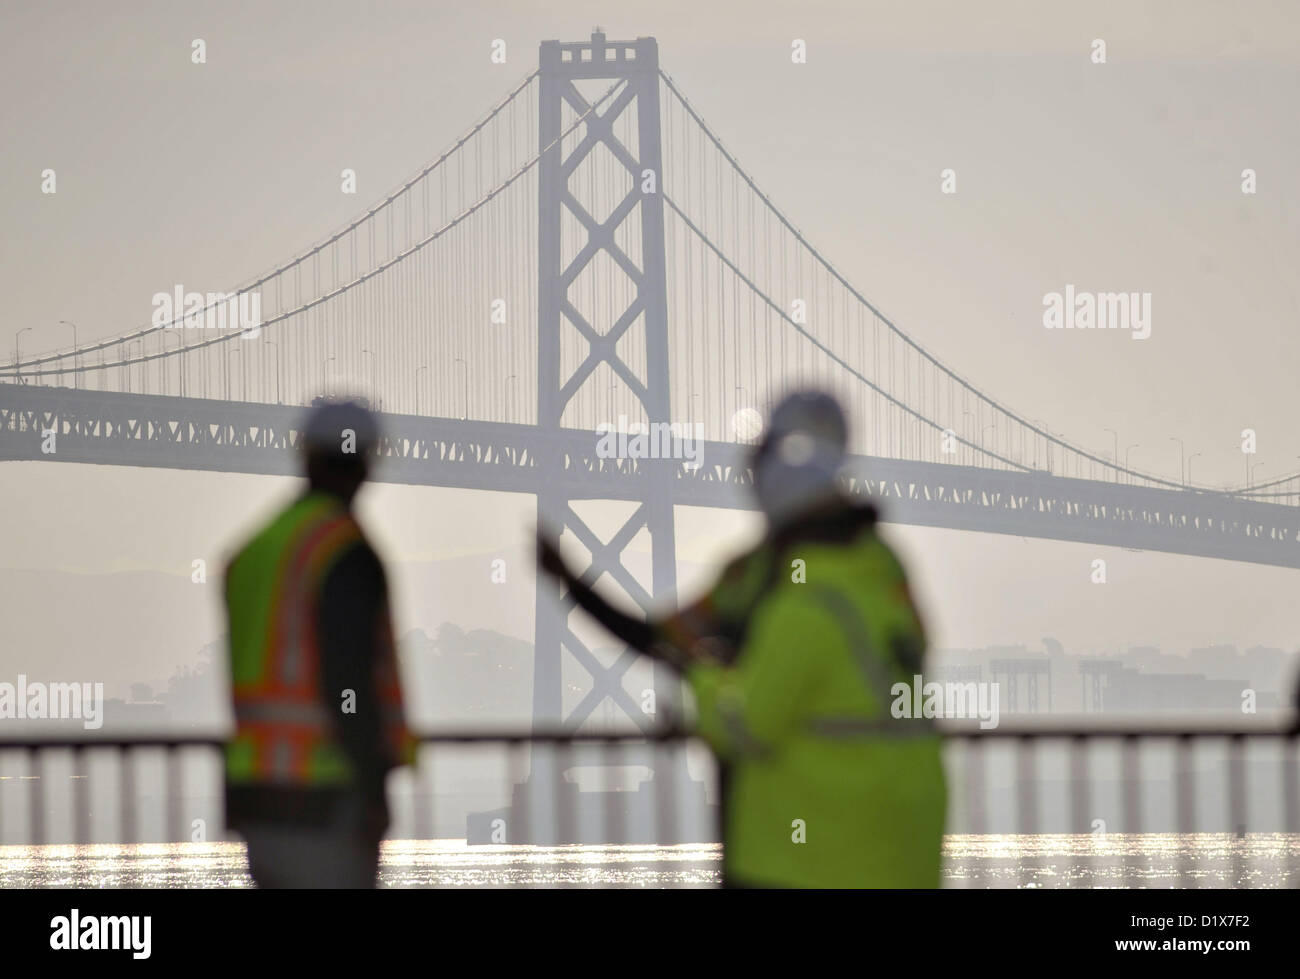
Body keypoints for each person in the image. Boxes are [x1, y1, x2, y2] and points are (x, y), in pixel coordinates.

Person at [538, 391, 947, 887]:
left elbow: (733, 706)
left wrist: (702, 674)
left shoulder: (783, 595)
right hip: (907, 844)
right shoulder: (886, 574)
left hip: (810, 855)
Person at [223, 398, 416, 887]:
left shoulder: (258, 548)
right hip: (324, 794)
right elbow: (346, 682)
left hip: (257, 795)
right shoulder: (342, 549)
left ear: (304, 455)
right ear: (369, 462)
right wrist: (374, 787)